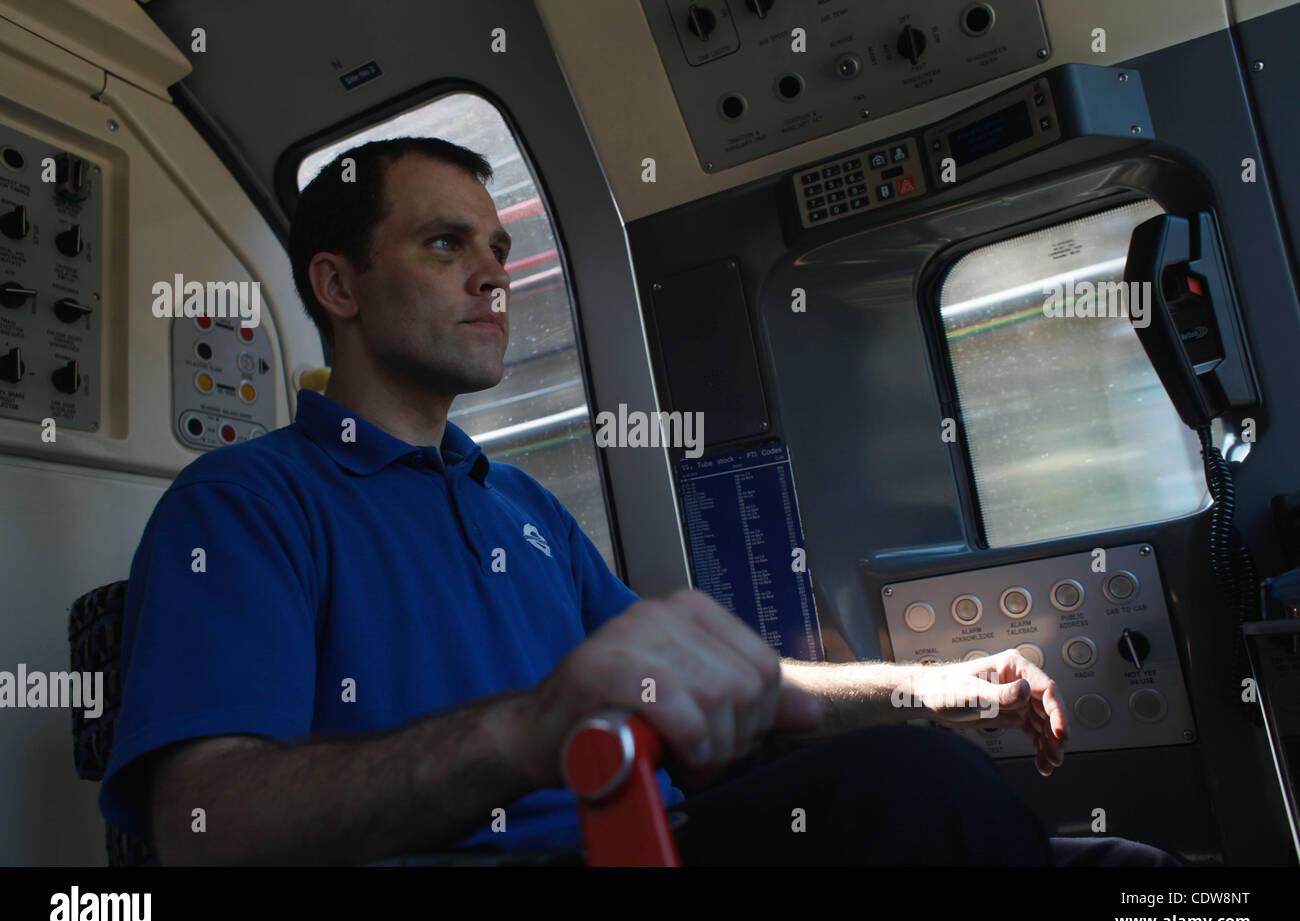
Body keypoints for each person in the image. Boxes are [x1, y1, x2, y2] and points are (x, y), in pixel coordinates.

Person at [100, 137, 1156, 866]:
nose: (491, 276)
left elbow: (735, 681)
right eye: (443, 244)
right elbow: (203, 824)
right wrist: (526, 731)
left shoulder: (518, 504)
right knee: (909, 791)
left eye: (499, 248)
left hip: (658, 836)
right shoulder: (242, 504)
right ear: (337, 286)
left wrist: (938, 685)